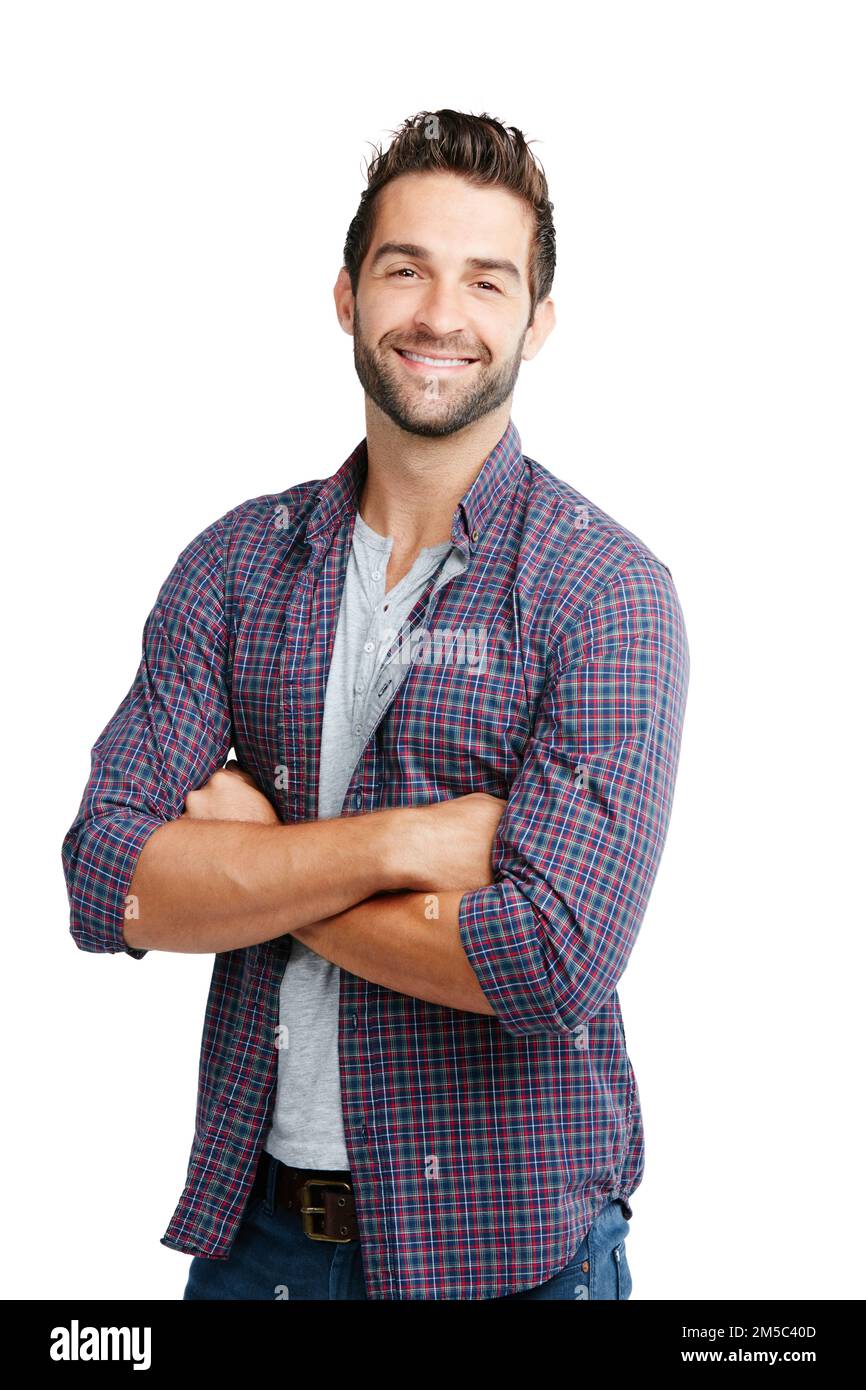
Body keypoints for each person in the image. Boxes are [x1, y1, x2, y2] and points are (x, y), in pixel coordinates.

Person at [61, 108, 689, 1301]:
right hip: (257, 1245)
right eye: (405, 269)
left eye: (485, 281)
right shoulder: (238, 566)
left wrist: (249, 874)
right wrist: (400, 845)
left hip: (514, 1258)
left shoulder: (603, 592)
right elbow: (107, 880)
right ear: (346, 295)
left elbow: (550, 960)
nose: (440, 316)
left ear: (535, 324)